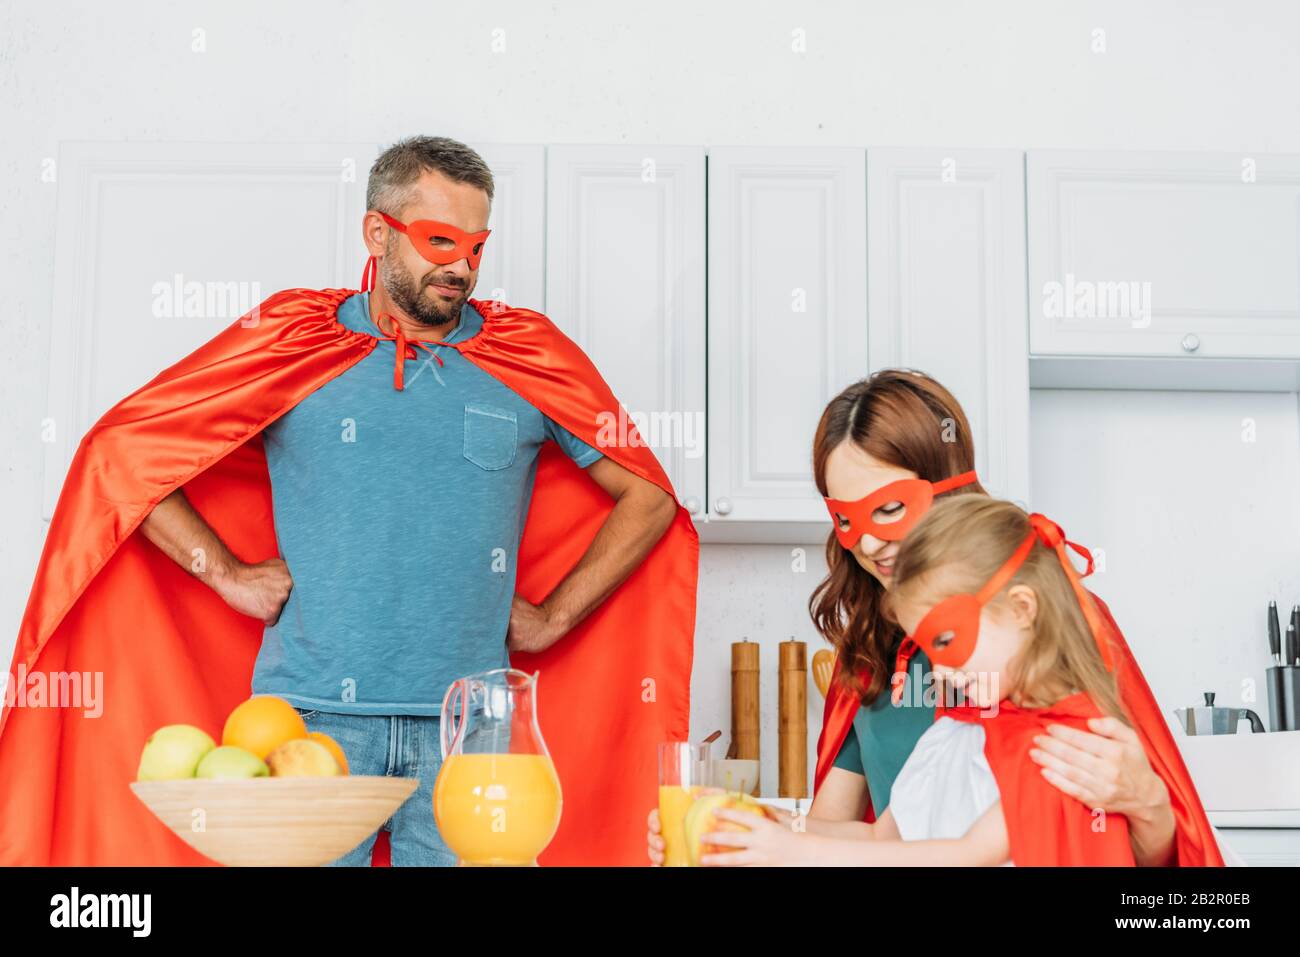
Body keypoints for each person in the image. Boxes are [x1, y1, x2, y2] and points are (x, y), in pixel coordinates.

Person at [1, 136, 698, 867]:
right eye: (439, 242)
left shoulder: (526, 356)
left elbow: (647, 495)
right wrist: (228, 573)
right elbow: (122, 454)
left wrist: (556, 614)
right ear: (377, 231)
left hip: (472, 735)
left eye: (476, 247)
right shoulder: (296, 340)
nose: (460, 267)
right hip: (308, 724)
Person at [648, 370, 1221, 866]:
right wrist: (735, 823)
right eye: (845, 522)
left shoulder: (1054, 633)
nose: (868, 541)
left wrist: (1146, 801)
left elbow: (1143, 856)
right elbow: (862, 831)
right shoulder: (873, 652)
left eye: (890, 508)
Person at [699, 498, 1144, 865]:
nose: (941, 671)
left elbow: (969, 854)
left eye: (948, 640)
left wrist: (795, 851)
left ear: (1022, 609)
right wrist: (753, 821)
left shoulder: (1067, 746)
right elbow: (882, 840)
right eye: (928, 648)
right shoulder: (952, 733)